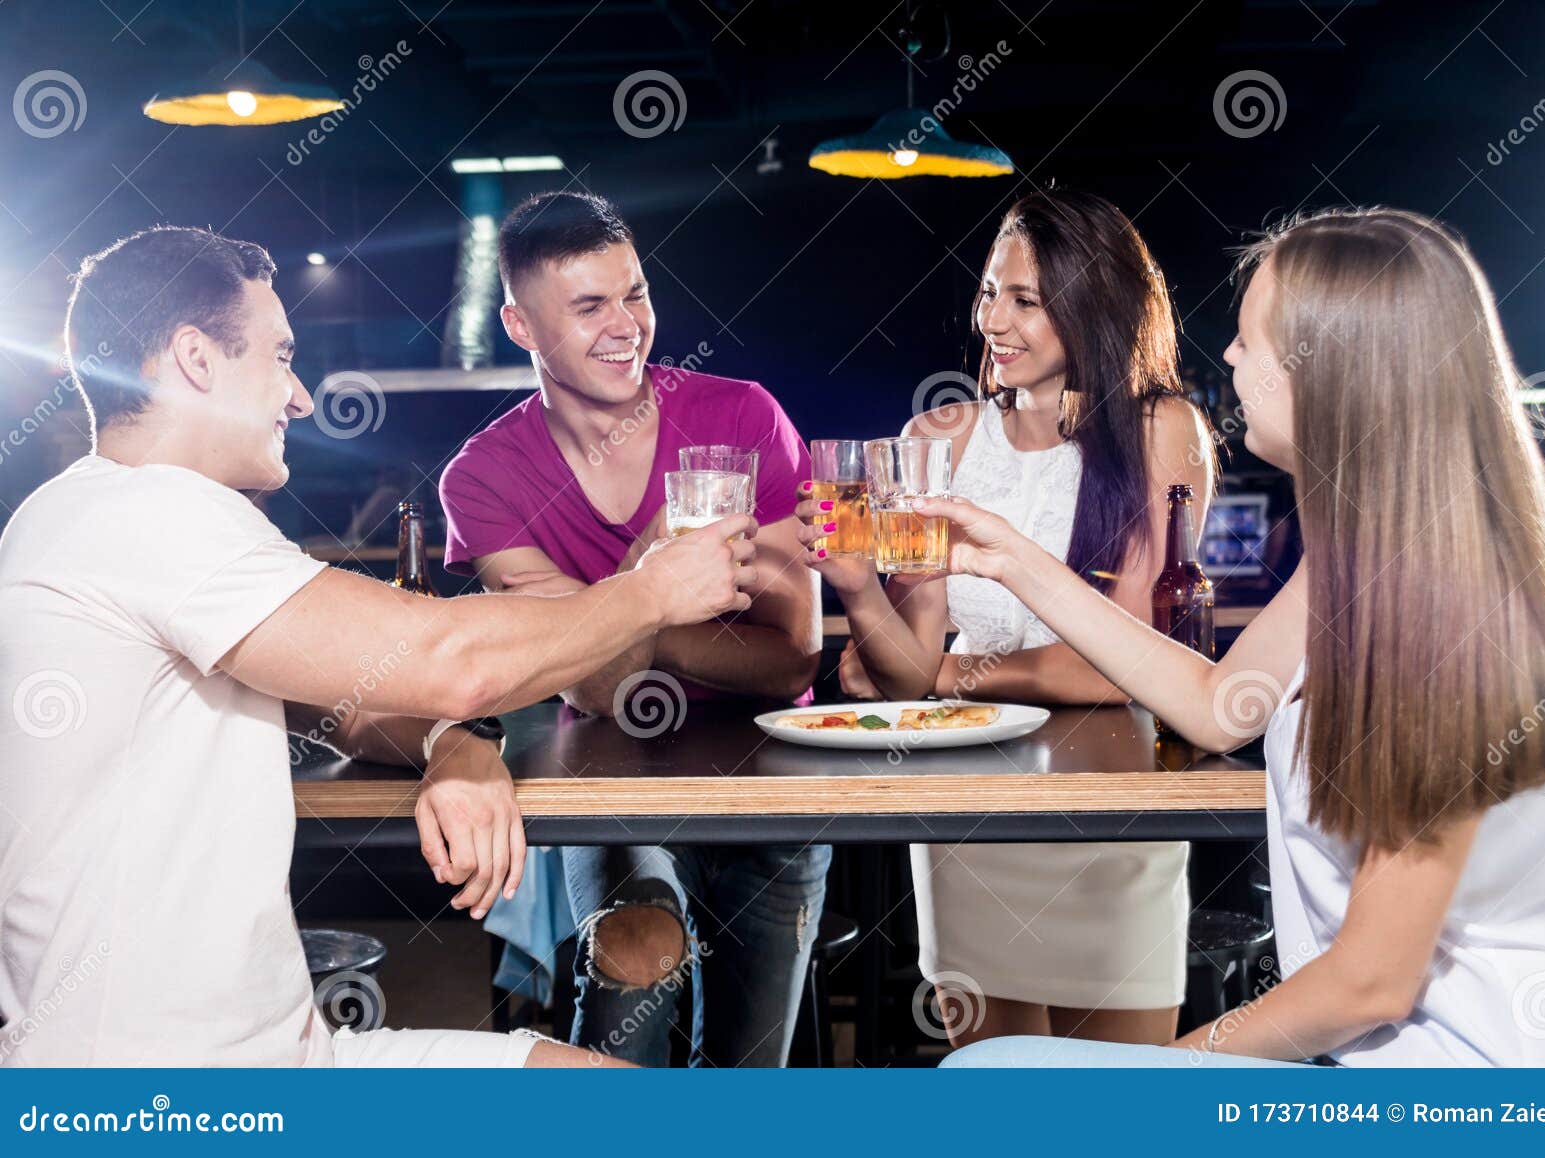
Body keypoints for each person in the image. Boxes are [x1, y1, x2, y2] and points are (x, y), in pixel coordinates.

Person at [0, 225, 754, 1067]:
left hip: (287, 1055)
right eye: (280, 357)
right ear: (196, 358)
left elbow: (354, 703)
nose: (301, 398)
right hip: (145, 1090)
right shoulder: (140, 518)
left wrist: (450, 745)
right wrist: (651, 589)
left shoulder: (135, 518)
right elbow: (447, 660)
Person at [921, 207, 1545, 1066]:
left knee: (991, 1071)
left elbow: (1371, 985)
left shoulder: (1444, 612)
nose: (1230, 357)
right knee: (990, 1068)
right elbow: (1215, 707)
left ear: (1333, 372)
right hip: (1386, 1064)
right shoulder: (1365, 550)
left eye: (1251, 341)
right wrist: (1017, 560)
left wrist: (1163, 1077)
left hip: (1485, 1085)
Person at [798, 190, 1213, 1047]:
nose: (995, 318)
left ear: (1093, 303)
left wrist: (955, 677)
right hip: (971, 802)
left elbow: (1127, 663)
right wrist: (857, 588)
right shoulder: (936, 438)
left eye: (1027, 299)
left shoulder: (1162, 429)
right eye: (991, 292)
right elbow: (912, 675)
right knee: (1000, 1103)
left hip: (1113, 802)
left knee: (1124, 1113)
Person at [439, 190, 828, 1067]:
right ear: (520, 324)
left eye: (636, 295)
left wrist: (613, 620)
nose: (627, 327)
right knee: (638, 959)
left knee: (747, 1070)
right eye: (588, 307)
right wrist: (657, 570)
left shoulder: (745, 418)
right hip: (612, 773)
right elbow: (590, 687)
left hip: (773, 773)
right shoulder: (485, 477)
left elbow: (789, 659)